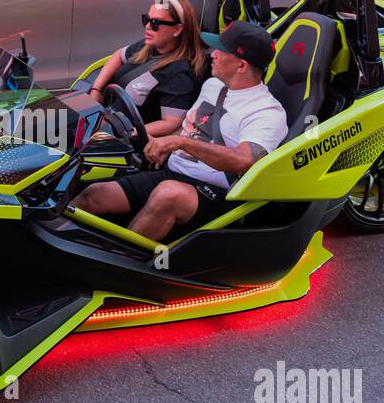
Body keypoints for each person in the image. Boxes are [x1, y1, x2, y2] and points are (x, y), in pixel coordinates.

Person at [73, 22, 286, 241]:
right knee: (95, 194)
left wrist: (181, 143)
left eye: (220, 50)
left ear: (241, 66)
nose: (212, 54)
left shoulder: (267, 112)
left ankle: (120, 257)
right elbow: (190, 129)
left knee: (168, 194)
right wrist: (163, 143)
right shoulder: (213, 85)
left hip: (214, 193)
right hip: (173, 171)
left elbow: (244, 161)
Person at [86, 0, 205, 137]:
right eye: (146, 19)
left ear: (177, 29)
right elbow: (118, 55)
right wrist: (96, 90)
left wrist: (127, 133)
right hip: (104, 118)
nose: (148, 26)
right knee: (61, 118)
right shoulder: (150, 46)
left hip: (120, 138)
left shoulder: (179, 73)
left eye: (155, 23)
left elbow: (171, 123)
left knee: (63, 136)